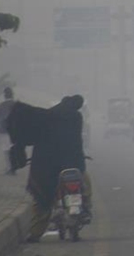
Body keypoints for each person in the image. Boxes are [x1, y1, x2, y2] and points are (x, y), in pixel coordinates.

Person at [8, 95, 92, 243]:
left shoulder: (46, 116)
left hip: (46, 166)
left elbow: (32, 133)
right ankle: (86, 210)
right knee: (86, 187)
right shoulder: (76, 117)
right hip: (73, 163)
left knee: (41, 200)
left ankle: (35, 233)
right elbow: (77, 140)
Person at [0, 87, 16, 173]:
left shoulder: (2, 105)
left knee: (6, 150)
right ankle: (14, 166)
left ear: (4, 95)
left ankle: (9, 167)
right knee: (13, 149)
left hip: (4, 130)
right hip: (15, 131)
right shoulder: (16, 105)